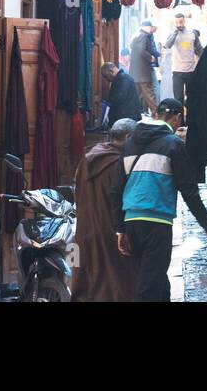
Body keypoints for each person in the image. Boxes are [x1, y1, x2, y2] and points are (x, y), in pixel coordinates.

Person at [110, 98, 207, 301]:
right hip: (157, 224)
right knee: (148, 288)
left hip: (132, 222)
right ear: (177, 119)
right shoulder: (174, 144)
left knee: (156, 280)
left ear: (156, 115)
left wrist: (120, 229)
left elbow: (116, 190)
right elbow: (189, 192)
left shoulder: (129, 143)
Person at [71, 118, 138, 302]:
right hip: (112, 232)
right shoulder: (120, 163)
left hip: (85, 230)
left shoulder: (87, 159)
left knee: (90, 281)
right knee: (117, 282)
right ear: (128, 137)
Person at [161, 12, 203, 105]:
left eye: (181, 22)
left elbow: (200, 50)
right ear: (174, 23)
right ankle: (179, 119)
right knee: (178, 99)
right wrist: (175, 33)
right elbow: (167, 45)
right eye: (177, 22)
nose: (179, 24)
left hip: (190, 70)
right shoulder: (172, 34)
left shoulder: (192, 34)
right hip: (177, 71)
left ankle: (191, 118)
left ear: (184, 22)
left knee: (192, 97)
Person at [128, 19, 161, 114]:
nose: (151, 29)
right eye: (150, 27)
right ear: (146, 27)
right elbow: (142, 50)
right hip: (143, 73)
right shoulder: (144, 36)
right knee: (150, 95)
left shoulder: (135, 36)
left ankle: (133, 115)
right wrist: (151, 58)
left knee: (136, 96)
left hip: (135, 73)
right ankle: (156, 114)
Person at [102, 61, 143, 126]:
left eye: (106, 76)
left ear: (111, 71)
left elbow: (118, 98)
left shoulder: (122, 79)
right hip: (127, 118)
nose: (106, 79)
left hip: (126, 119)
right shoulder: (123, 78)